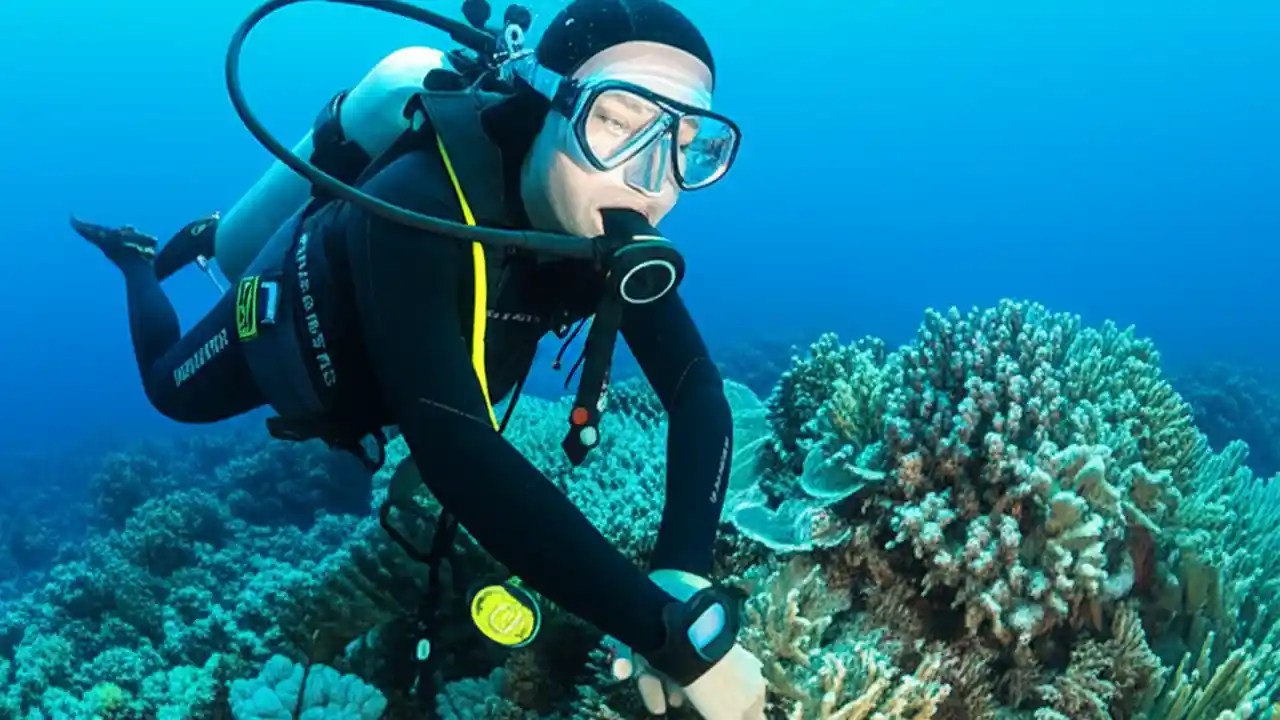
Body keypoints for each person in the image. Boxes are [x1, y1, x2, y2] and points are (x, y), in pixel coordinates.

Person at [70, 0, 766, 717]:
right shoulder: (417, 203)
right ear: (545, 102)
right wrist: (671, 638)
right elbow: (456, 452)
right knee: (169, 391)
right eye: (617, 122)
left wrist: (681, 573)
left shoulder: (597, 226)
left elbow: (697, 393)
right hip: (294, 333)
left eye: (690, 142)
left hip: (410, 374)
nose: (653, 181)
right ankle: (138, 260)